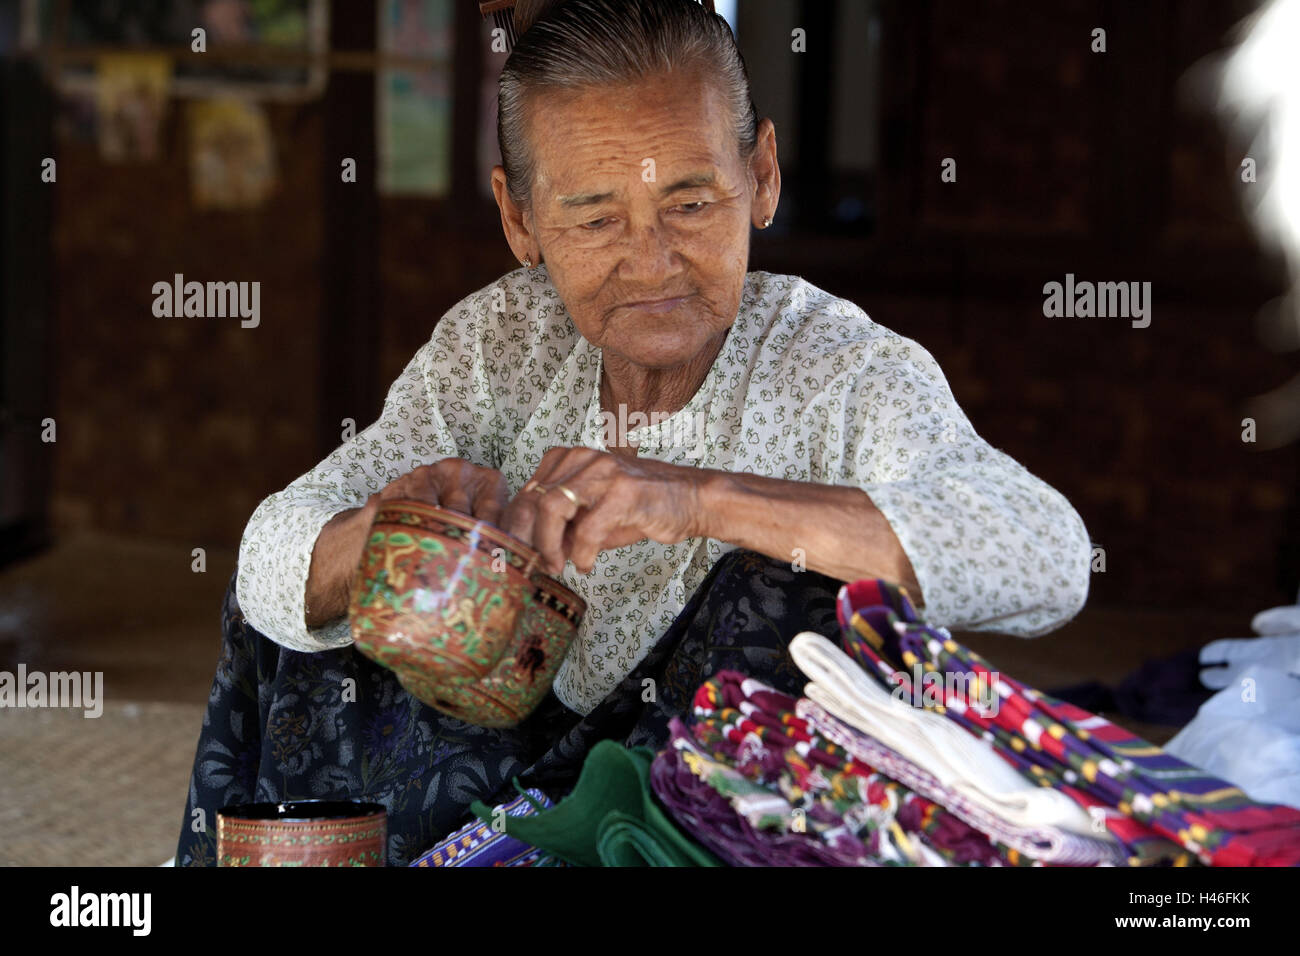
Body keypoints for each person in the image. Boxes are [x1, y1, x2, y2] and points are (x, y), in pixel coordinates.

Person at [176, 0, 1091, 866]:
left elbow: (1046, 555)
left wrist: (702, 501)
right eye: (596, 217)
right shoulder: (500, 344)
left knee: (799, 590)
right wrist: (392, 534)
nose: (651, 262)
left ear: (762, 177)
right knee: (311, 593)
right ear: (521, 219)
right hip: (475, 800)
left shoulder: (841, 369)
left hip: (680, 819)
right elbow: (271, 553)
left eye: (691, 205)